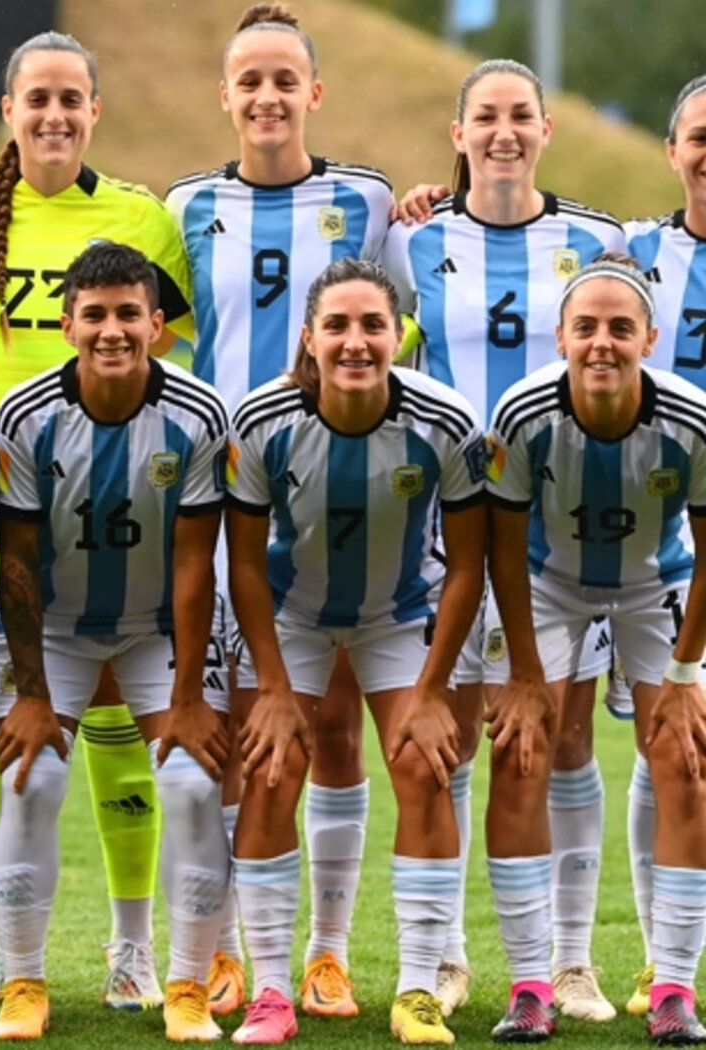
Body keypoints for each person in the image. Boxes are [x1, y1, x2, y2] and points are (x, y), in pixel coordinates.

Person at [0, 32, 196, 1010]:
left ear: (95, 110)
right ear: (8, 108)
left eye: (71, 99)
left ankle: (133, 948)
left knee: (112, 733)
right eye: (36, 98)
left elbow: (161, 349)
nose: (54, 114)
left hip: (109, 508)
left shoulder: (141, 214)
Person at [382, 57, 627, 1021]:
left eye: (521, 115)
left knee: (563, 743)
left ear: (546, 128)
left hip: (566, 529)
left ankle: (570, 963)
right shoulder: (416, 240)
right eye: (484, 116)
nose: (503, 132)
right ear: (458, 133)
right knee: (453, 739)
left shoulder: (599, 238)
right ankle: (442, 958)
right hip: (448, 529)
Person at [165, 3, 395, 1018]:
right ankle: (220, 949)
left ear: (314, 91)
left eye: (282, 79)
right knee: (235, 730)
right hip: (227, 495)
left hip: (342, 487)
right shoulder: (182, 206)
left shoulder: (373, 201)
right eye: (247, 81)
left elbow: (399, 322)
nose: (265, 97)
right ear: (225, 95)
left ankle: (328, 953)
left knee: (334, 731)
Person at [226, 258, 484, 1046]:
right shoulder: (261, 421)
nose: (355, 341)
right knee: (271, 766)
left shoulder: (446, 421)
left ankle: (417, 991)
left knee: (423, 765)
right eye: (336, 326)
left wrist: (435, 689)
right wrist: (271, 683)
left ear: (398, 334)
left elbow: (469, 563)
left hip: (399, 615)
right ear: (308, 338)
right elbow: (239, 562)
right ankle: (271, 987)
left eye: (373, 324)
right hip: (293, 613)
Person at [0, 242, 229, 1041]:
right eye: (95, 315)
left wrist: (190, 699)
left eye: (130, 314)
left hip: (156, 626)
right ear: (68, 325)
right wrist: (29, 694)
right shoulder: (25, 415)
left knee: (195, 785)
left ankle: (188, 985)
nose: (113, 330)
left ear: (157, 325)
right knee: (32, 781)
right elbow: (15, 561)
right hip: (53, 629)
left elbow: (197, 565)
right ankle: (24, 983)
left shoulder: (197, 414)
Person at [484, 254, 706, 1044]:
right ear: (561, 337)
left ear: (650, 337)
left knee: (683, 754)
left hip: (658, 583)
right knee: (521, 752)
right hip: (549, 582)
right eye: (586, 328)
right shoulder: (522, 413)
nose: (602, 343)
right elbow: (502, 551)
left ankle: (676, 988)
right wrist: (521, 674)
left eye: (620, 328)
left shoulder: (692, 418)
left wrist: (683, 678)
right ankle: (531, 985)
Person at [623, 73, 706, 1018]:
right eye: (698, 134)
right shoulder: (633, 250)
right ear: (673, 149)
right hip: (666, 534)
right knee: (670, 744)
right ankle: (662, 963)